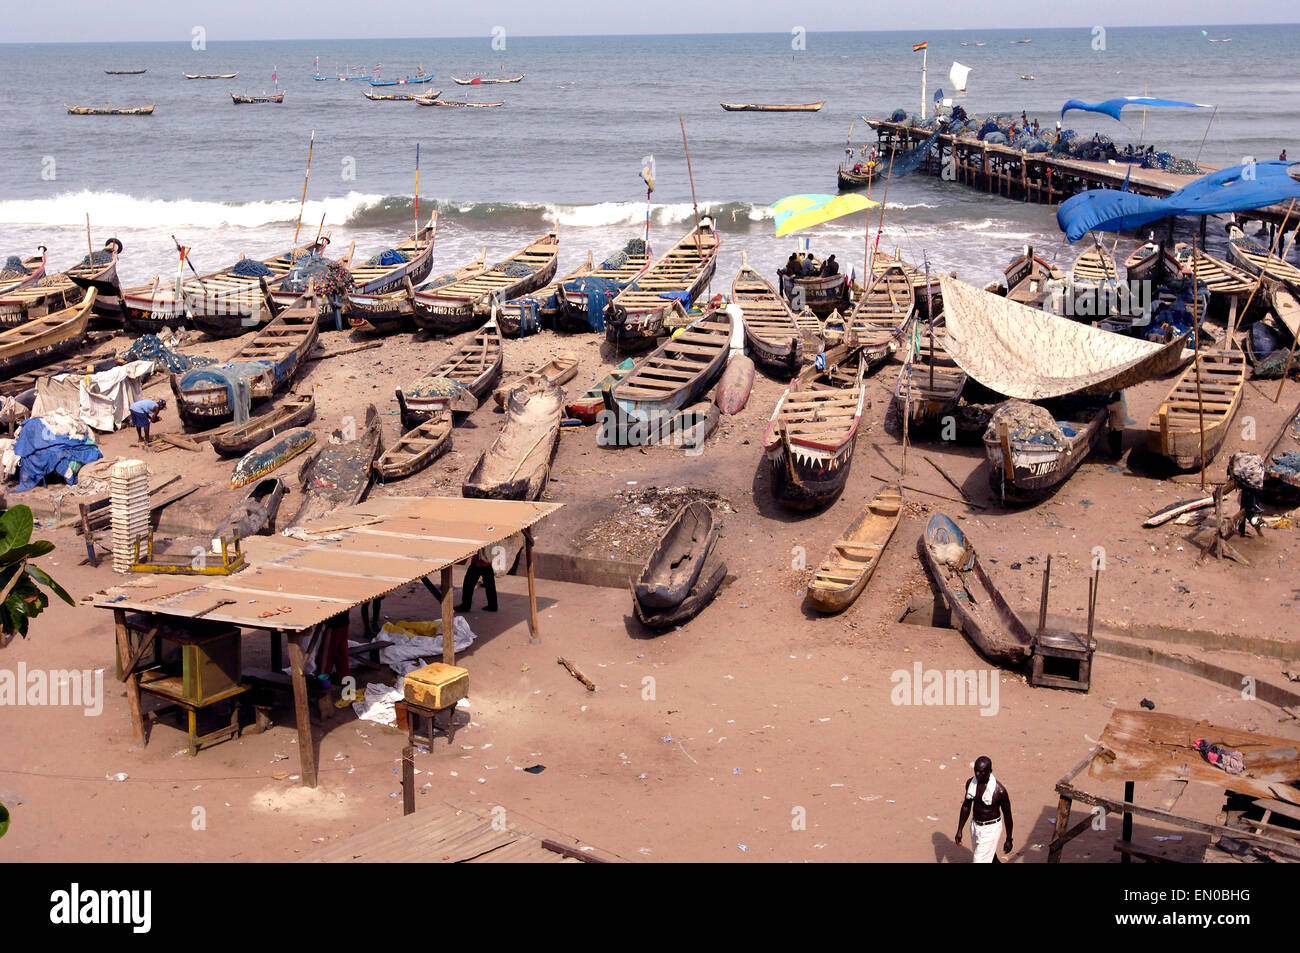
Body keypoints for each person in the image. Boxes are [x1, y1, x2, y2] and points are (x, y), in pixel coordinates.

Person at [955, 756, 1014, 863]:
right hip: (975, 825)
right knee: (989, 857)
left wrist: (1009, 839)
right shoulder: (970, 784)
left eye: (981, 772)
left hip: (991, 829)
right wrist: (960, 829)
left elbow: (1007, 815)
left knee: (979, 860)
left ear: (990, 771)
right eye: (976, 771)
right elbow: (966, 805)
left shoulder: (999, 791)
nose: (978, 775)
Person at [458, 546, 498, 612]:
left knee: (468, 584)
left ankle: (466, 606)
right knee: (490, 585)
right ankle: (493, 605)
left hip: (479, 562)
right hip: (487, 560)